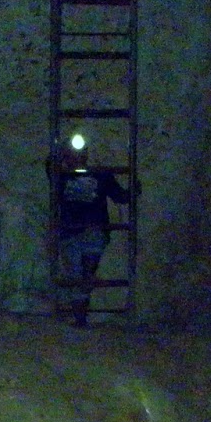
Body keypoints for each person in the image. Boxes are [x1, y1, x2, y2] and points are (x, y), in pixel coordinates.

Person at [51, 139, 131, 327]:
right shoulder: (61, 176)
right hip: (71, 234)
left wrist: (134, 190)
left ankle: (80, 319)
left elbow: (120, 197)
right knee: (78, 276)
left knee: (84, 275)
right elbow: (49, 165)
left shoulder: (101, 175)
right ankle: (80, 319)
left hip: (91, 232)